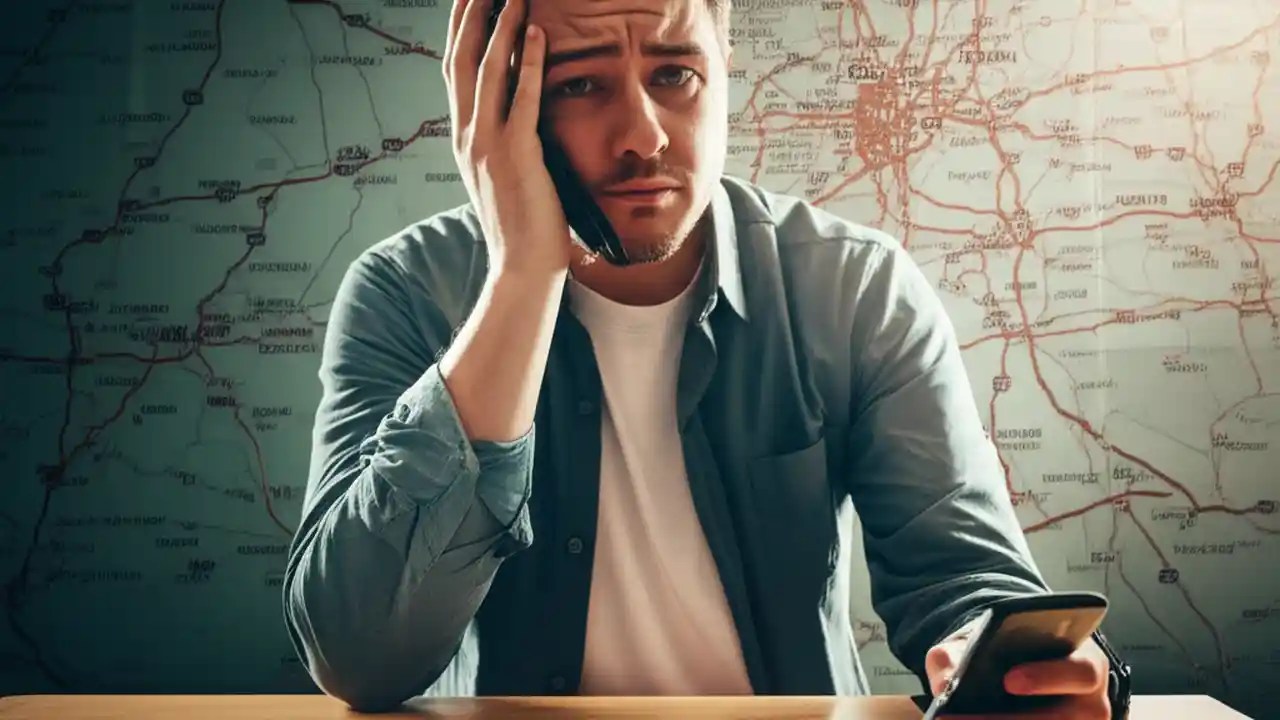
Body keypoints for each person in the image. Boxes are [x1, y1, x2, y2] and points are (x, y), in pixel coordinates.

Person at [282, 0, 1121, 716]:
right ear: (497, 105)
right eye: (579, 83)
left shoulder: (854, 288)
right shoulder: (406, 291)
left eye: (675, 74)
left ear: (725, 68)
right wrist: (522, 277)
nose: (643, 136)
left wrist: (1019, 663)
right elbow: (361, 654)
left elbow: (966, 584)